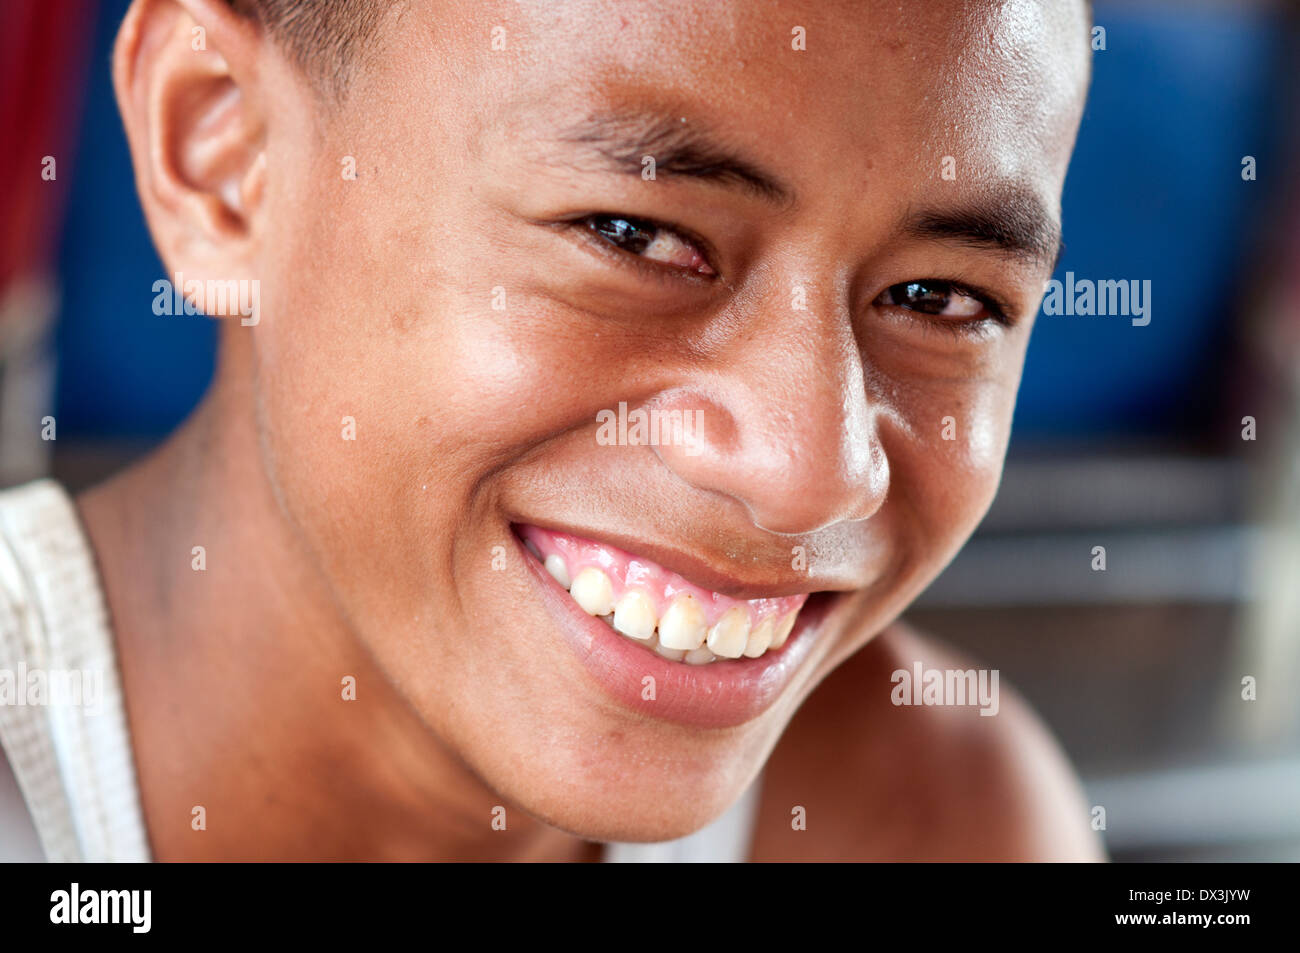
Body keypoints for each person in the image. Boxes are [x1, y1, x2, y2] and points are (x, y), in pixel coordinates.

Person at [0, 0, 1102, 861]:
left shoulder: (945, 819)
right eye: (633, 233)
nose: (810, 470)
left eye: (940, 299)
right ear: (224, 156)